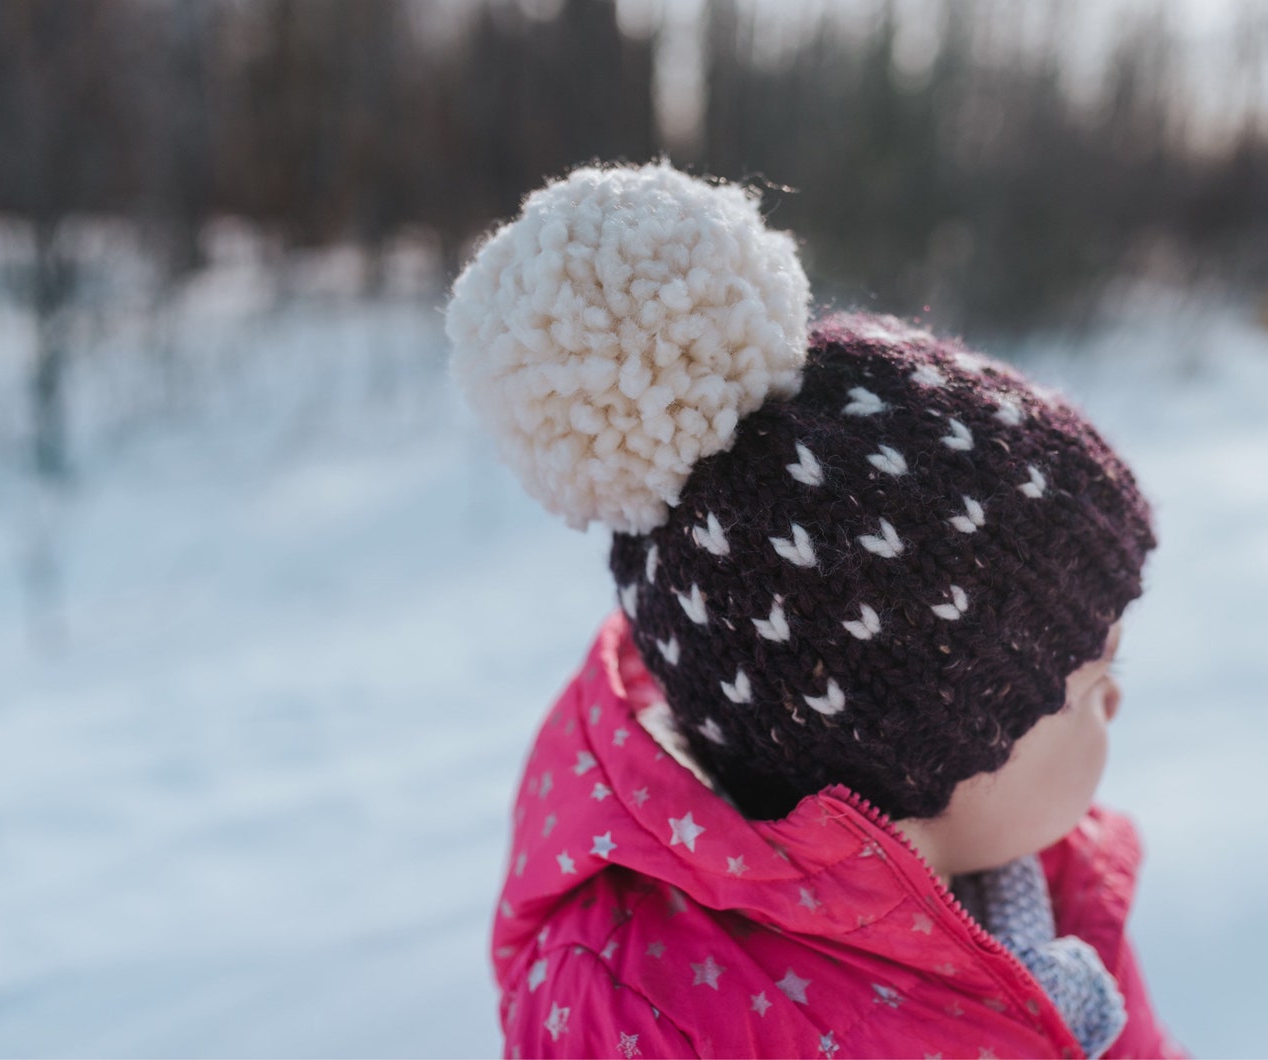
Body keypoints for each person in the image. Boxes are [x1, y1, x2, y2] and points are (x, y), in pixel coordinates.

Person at [447, 161, 1183, 1058]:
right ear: (922, 753)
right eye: (1094, 674)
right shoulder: (650, 1012)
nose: (1116, 701)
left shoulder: (1052, 886)